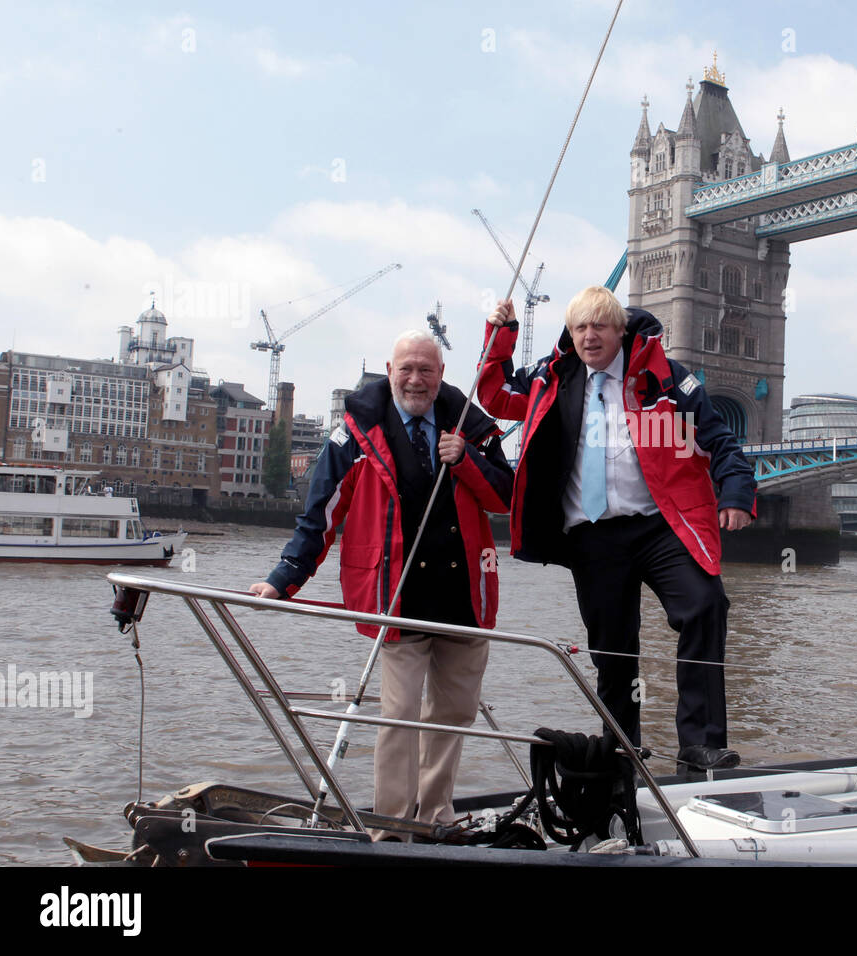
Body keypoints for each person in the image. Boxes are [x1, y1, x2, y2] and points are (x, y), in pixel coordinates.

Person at [479, 286, 755, 772]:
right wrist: (500, 335)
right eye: (579, 327)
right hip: (592, 535)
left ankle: (701, 742)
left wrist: (734, 494)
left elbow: (718, 438)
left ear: (619, 331)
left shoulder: (666, 379)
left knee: (705, 606)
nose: (589, 336)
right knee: (612, 646)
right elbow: (494, 395)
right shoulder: (551, 378)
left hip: (659, 526)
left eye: (599, 327)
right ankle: (623, 746)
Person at [249, 331, 512, 832]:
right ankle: (391, 825)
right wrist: (283, 578)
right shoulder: (355, 433)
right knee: (398, 714)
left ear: (441, 376)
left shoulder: (473, 428)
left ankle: (436, 819)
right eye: (407, 369)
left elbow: (507, 498)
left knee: (454, 713)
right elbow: (322, 513)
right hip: (395, 598)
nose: (416, 379)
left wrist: (468, 460)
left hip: (464, 599)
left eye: (427, 370)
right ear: (389, 372)